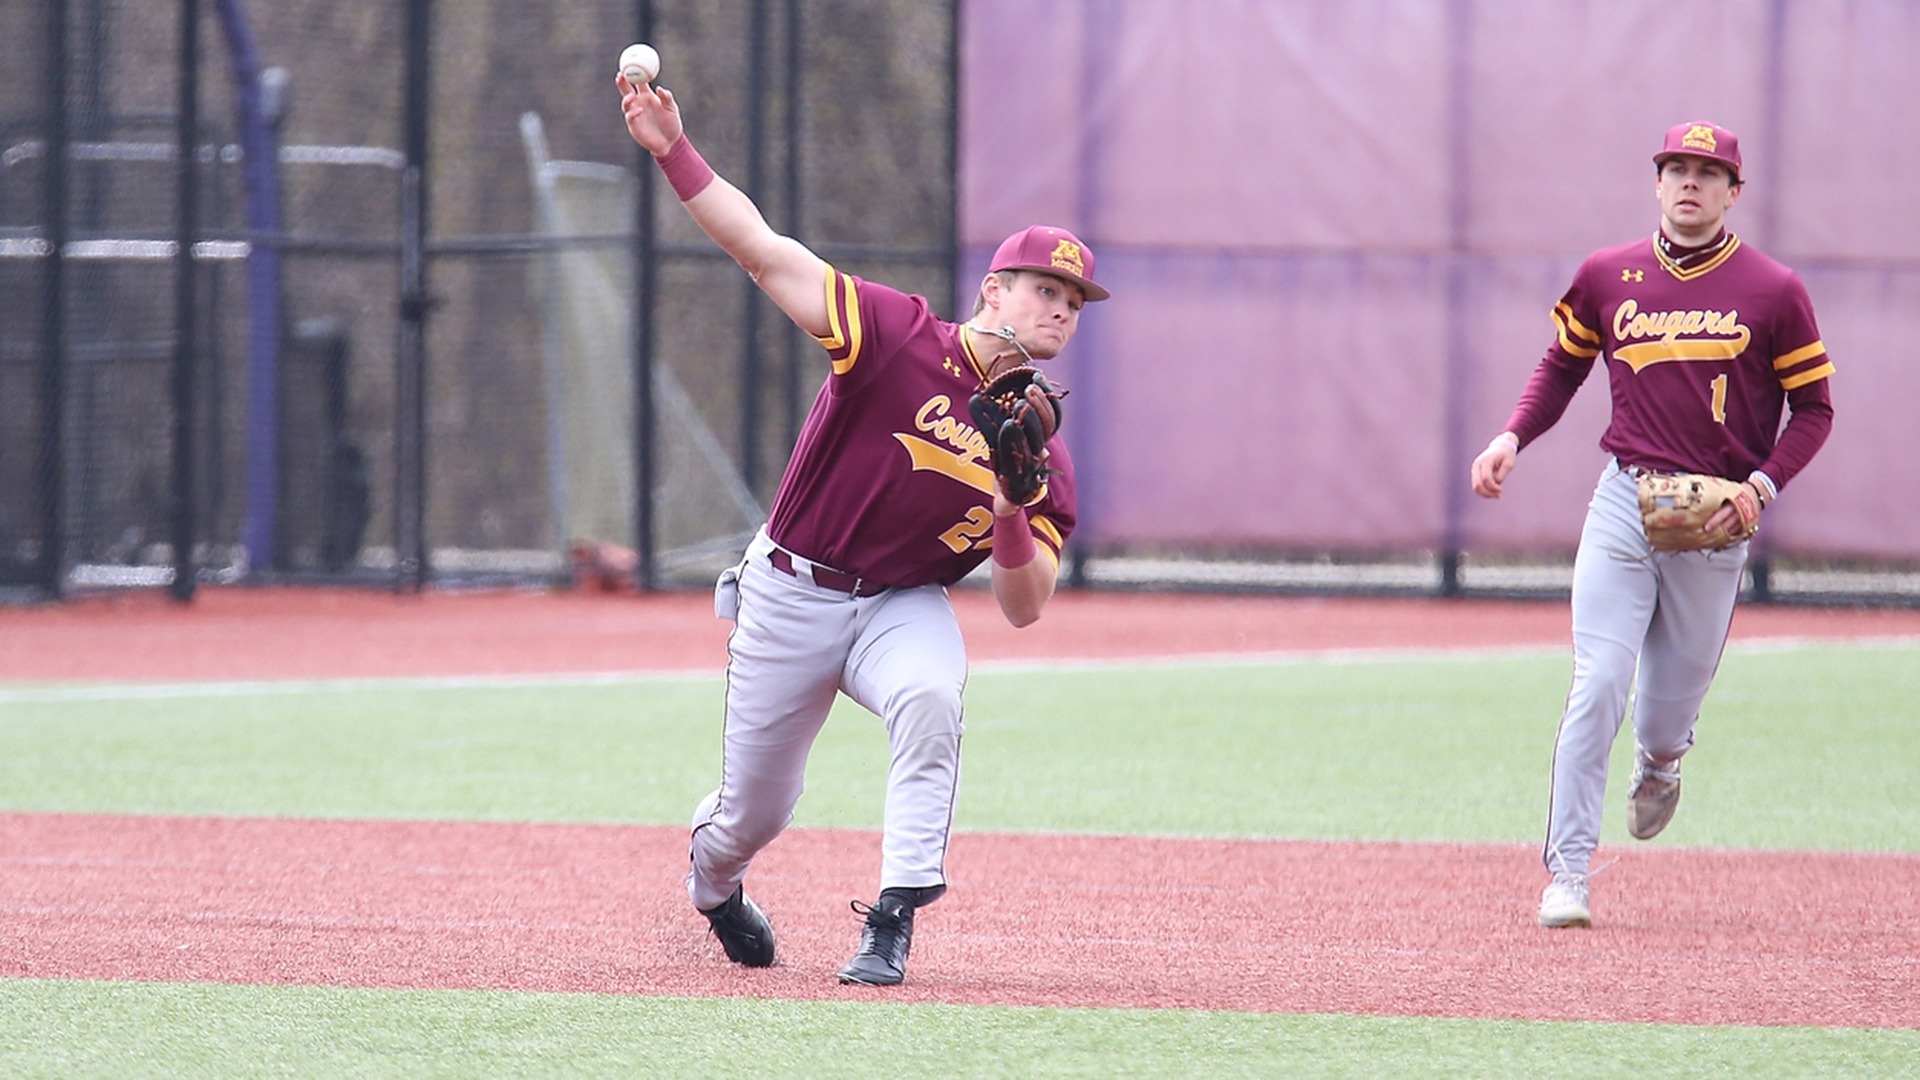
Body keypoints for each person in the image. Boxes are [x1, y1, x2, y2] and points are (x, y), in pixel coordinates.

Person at [618, 67, 1109, 984]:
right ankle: (715, 887)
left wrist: (1010, 504)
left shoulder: (1043, 453)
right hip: (792, 589)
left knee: (931, 699)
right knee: (753, 814)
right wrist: (673, 151)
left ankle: (892, 918)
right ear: (995, 290)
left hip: (901, 604)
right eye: (1045, 289)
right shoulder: (894, 334)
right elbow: (765, 253)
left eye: (1075, 305)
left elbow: (1024, 605)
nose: (1061, 310)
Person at [1469, 121, 1835, 929]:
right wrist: (1510, 436)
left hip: (1718, 519)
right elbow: (1562, 365)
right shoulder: (1609, 275)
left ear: (1734, 192)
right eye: (1676, 168)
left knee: (1666, 707)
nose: (1690, 182)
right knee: (1597, 682)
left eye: (1709, 172)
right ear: (1657, 181)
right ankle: (1567, 872)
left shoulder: (1774, 290)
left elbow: (1813, 410)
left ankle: (1662, 762)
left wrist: (1762, 488)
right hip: (1624, 503)